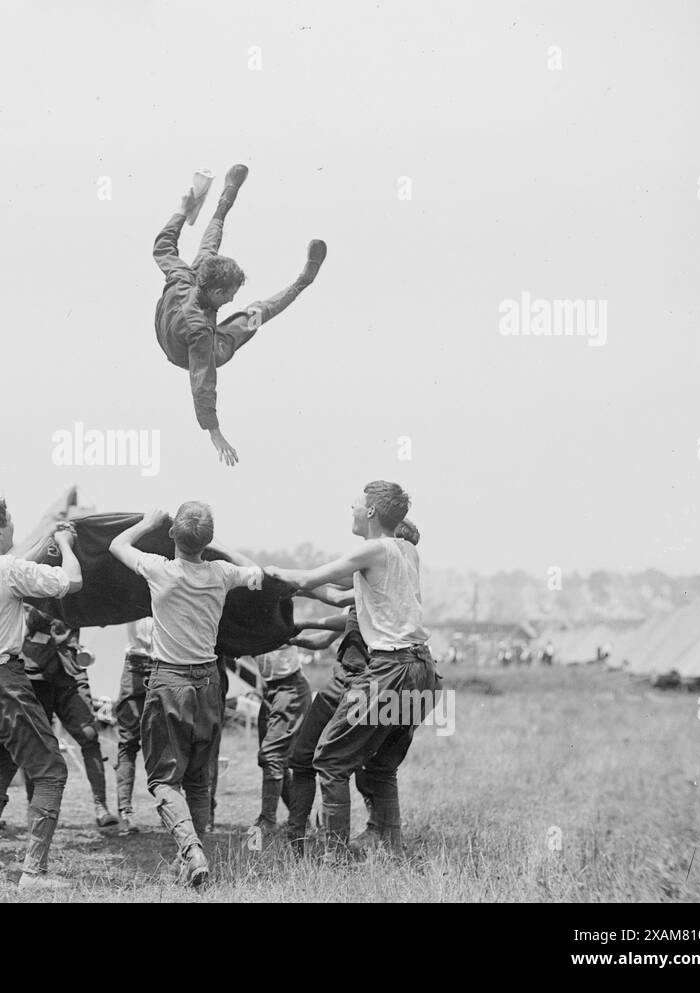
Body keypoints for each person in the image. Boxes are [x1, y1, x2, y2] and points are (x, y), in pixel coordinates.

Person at [267, 487, 438, 860]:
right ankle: (392, 847)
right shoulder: (407, 551)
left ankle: (334, 855)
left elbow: (311, 580)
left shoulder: (372, 550)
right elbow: (341, 591)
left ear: (371, 511)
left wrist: (263, 573)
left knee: (329, 759)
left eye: (357, 502)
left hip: (390, 669)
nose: (352, 507)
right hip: (422, 669)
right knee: (380, 765)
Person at [109, 503, 263, 887]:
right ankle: (191, 859)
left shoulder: (160, 570)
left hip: (169, 682)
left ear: (172, 536)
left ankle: (191, 850)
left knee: (163, 780)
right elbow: (257, 573)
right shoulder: (221, 572)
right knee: (197, 780)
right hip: (209, 683)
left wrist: (147, 522)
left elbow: (116, 545)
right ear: (207, 541)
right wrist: (221, 547)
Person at [0, 494, 83, 889]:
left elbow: (17, 561)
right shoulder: (7, 568)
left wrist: (49, 542)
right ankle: (34, 873)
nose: (14, 529)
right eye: (9, 523)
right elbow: (71, 582)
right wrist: (68, 547)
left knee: (1, 762)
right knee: (51, 771)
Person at [153, 164, 327, 467]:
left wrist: (182, 211)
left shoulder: (185, 275)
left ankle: (225, 199)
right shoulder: (202, 334)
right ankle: (302, 283)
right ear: (218, 294)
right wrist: (214, 432)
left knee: (207, 247)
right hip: (182, 348)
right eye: (231, 293)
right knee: (254, 315)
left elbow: (163, 246)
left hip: (175, 319)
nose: (233, 298)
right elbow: (202, 382)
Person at [22, 608, 119, 829]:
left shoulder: (75, 582)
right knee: (35, 743)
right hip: (35, 672)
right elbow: (32, 620)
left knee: (89, 734)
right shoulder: (31, 579)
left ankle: (101, 806)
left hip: (69, 671)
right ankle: (34, 808)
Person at [244, 644, 312, 851]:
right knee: (274, 761)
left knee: (271, 755)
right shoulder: (248, 620)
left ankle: (267, 820)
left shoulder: (277, 615)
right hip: (269, 689)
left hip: (290, 687)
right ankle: (299, 819)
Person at [113, 617, 155, 836]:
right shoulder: (133, 586)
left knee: (166, 742)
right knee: (128, 742)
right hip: (135, 664)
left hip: (164, 664)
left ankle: (173, 810)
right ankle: (125, 813)